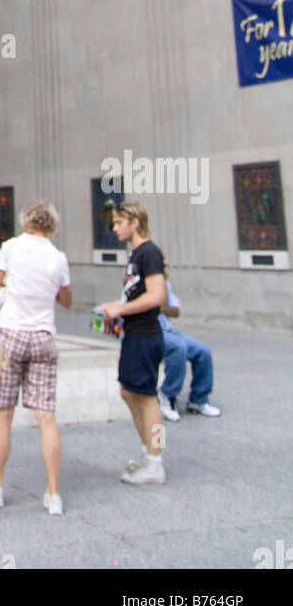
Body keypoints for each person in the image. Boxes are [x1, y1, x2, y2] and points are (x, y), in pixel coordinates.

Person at [0, 199, 72, 515]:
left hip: (10, 336)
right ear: (52, 225)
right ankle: (54, 494)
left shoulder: (11, 247)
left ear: (26, 221)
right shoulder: (58, 258)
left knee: (3, 415)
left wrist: (9, 282)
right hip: (43, 337)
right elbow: (67, 299)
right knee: (46, 417)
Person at [97, 202, 167, 485]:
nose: (114, 229)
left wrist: (120, 310)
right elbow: (134, 296)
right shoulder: (136, 254)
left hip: (146, 335)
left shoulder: (149, 253)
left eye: (118, 223)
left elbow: (156, 296)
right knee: (129, 392)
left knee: (148, 397)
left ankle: (156, 460)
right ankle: (148, 451)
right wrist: (112, 306)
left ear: (134, 222)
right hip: (134, 334)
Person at [157, 261, 222, 421]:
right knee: (178, 348)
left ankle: (198, 399)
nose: (165, 269)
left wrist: (160, 304)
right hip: (150, 331)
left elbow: (174, 311)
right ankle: (167, 395)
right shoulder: (140, 283)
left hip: (168, 330)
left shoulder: (165, 284)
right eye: (162, 265)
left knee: (203, 351)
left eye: (166, 266)